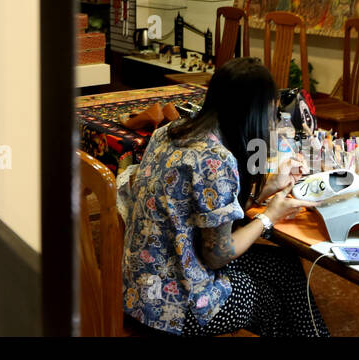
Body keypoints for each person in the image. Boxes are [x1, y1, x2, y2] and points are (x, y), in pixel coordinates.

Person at [123, 58, 328, 337]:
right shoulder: (216, 159)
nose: (272, 122)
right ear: (252, 113)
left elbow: (208, 217)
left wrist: (267, 189)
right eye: (271, 113)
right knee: (267, 299)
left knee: (284, 266)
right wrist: (269, 217)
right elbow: (217, 255)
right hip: (172, 305)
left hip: (141, 286)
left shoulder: (170, 132)